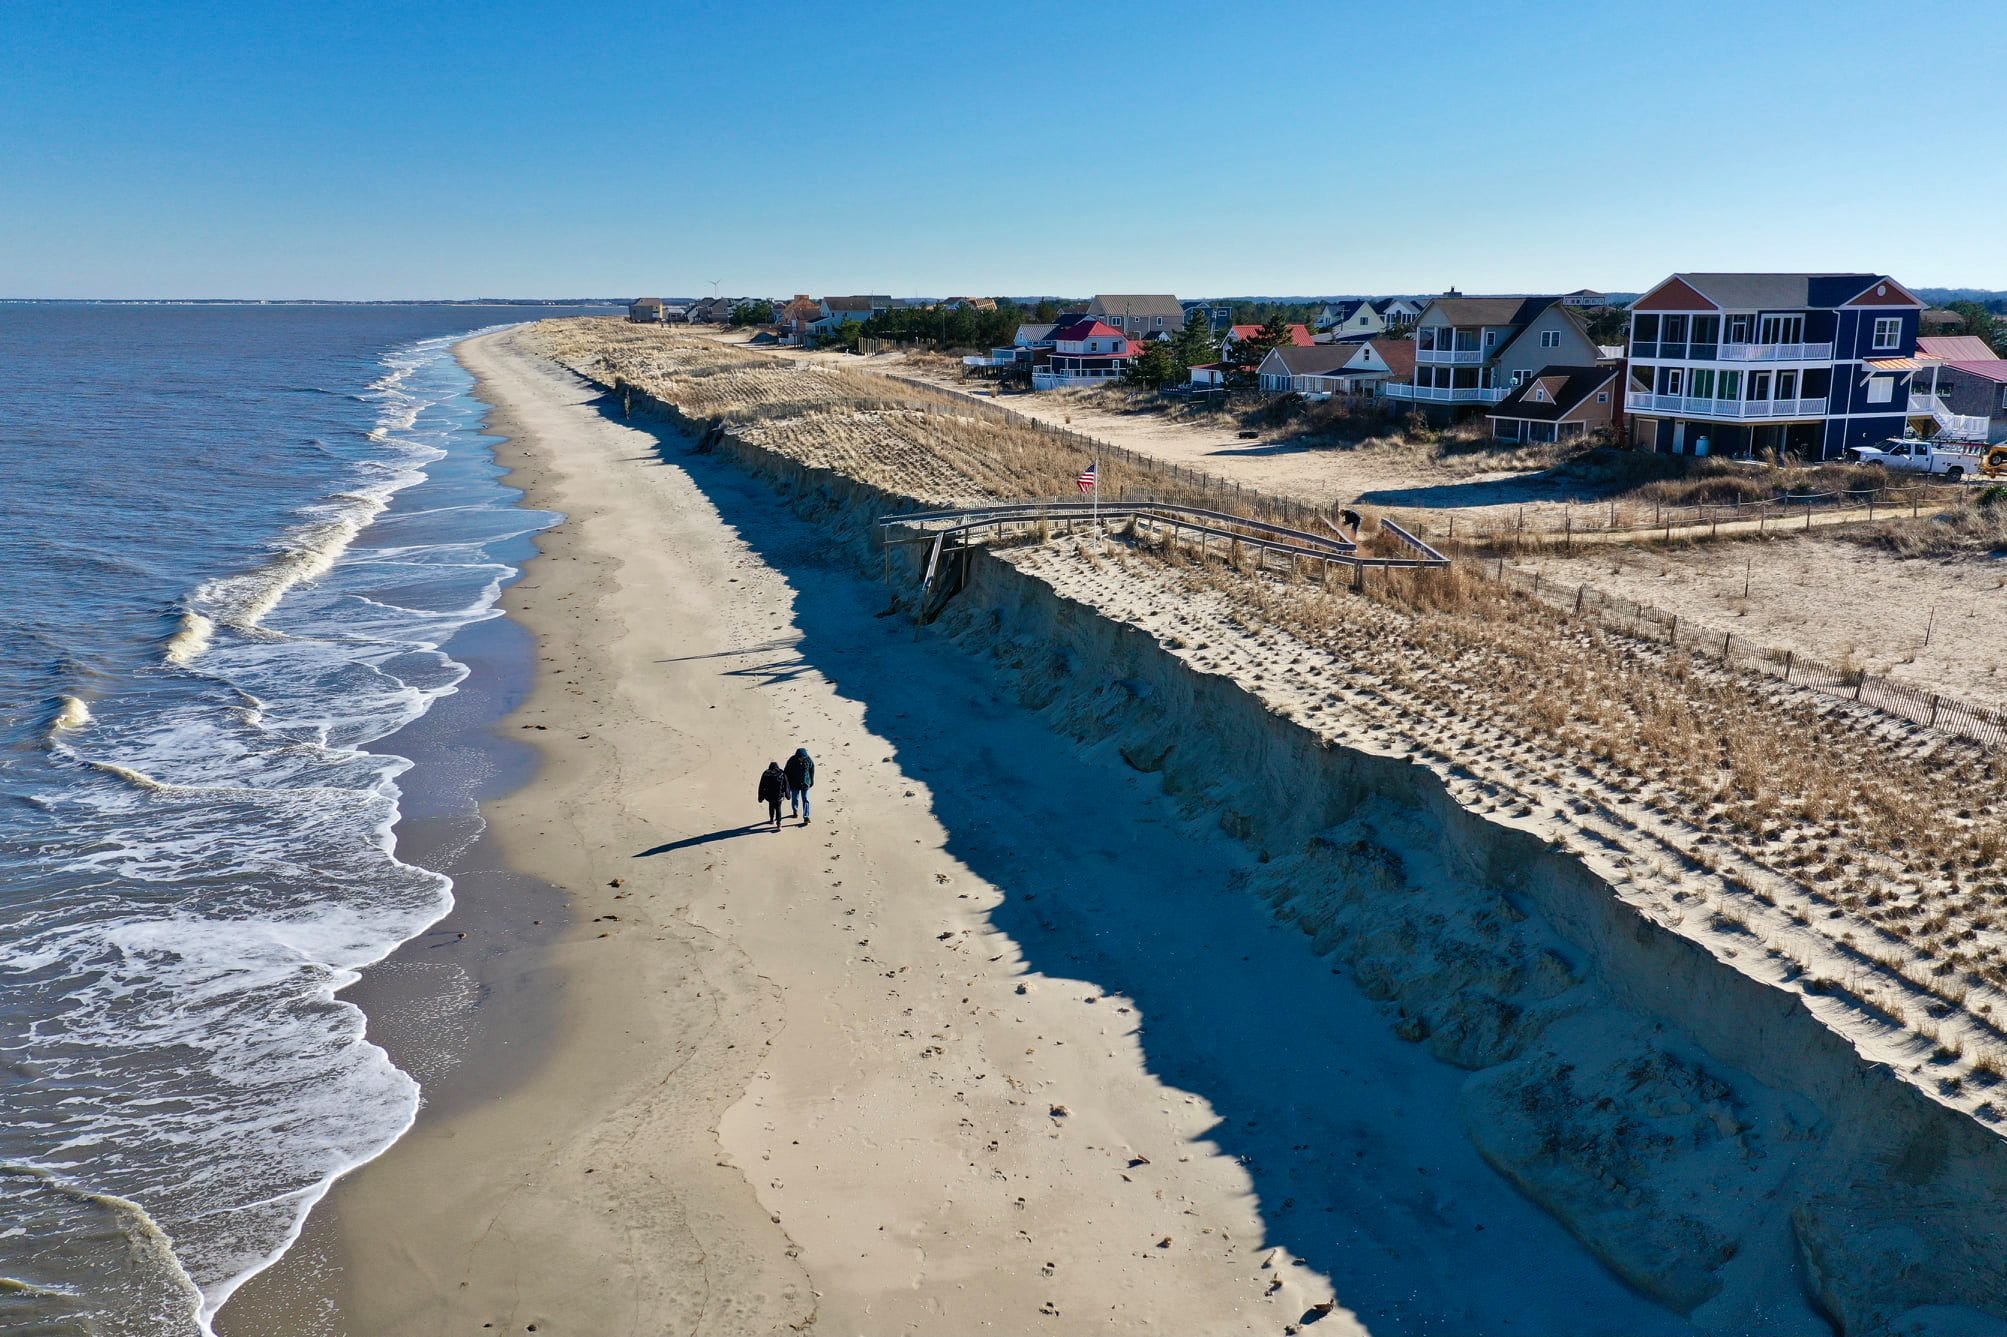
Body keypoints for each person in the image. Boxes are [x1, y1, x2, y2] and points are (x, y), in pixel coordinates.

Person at [784, 747, 815, 824]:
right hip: (794, 784)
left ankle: (806, 817)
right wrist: (787, 784)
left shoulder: (808, 760)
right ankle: (795, 811)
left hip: (805, 783)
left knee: (806, 799)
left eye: (803, 757)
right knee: (795, 798)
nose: (802, 759)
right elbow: (786, 772)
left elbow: (812, 770)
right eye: (801, 757)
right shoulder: (791, 760)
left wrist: (811, 781)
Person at [757, 760, 788, 830]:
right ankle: (779, 824)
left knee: (771, 807)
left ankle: (771, 820)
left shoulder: (766, 773)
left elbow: (761, 785)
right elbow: (786, 784)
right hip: (779, 795)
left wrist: (760, 797)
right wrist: (787, 795)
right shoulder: (781, 772)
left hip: (769, 796)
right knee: (778, 808)